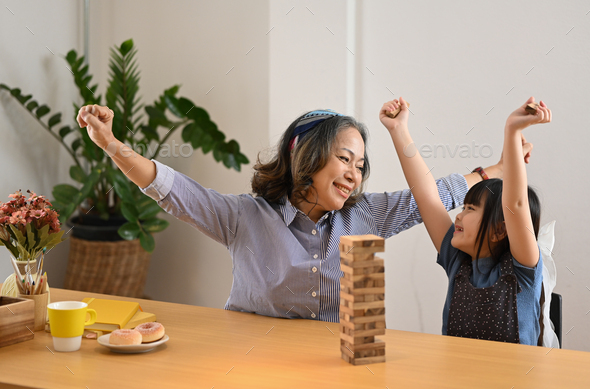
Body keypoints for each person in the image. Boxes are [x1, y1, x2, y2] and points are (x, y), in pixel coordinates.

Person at [76, 105, 526, 323]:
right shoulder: (243, 217)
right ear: (306, 155)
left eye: (361, 165)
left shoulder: (367, 215)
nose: (355, 174)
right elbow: (171, 188)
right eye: (345, 159)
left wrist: (503, 168)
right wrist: (112, 145)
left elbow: (435, 191)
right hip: (252, 367)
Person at [381, 96, 551, 345]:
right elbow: (426, 195)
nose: (458, 215)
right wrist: (398, 129)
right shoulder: (456, 261)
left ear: (500, 230)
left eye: (470, 208)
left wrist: (512, 130)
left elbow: (515, 204)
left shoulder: (523, 269)